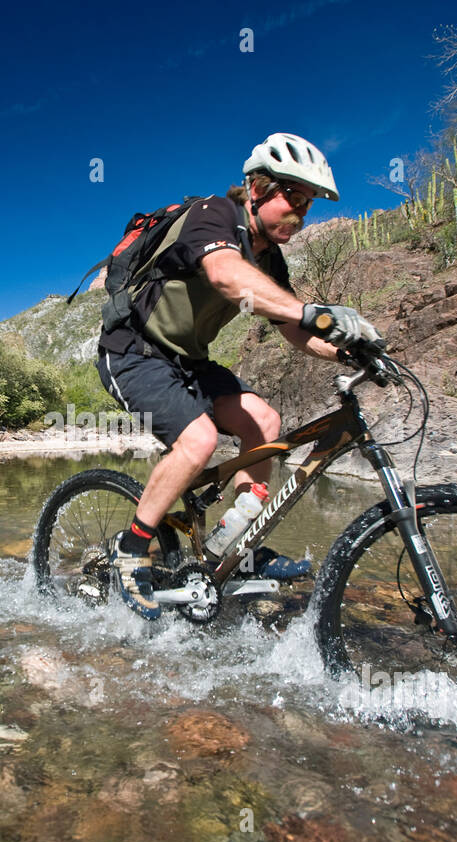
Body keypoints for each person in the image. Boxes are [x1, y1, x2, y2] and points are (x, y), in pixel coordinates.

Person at [95, 132, 383, 620]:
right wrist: (317, 313)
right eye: (293, 196)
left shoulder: (268, 256)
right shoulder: (213, 214)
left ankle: (237, 548)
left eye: (307, 203)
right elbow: (227, 274)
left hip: (191, 362)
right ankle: (131, 548)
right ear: (256, 187)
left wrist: (349, 353)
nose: (301, 212)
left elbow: (293, 326)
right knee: (199, 441)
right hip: (134, 351)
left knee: (265, 424)